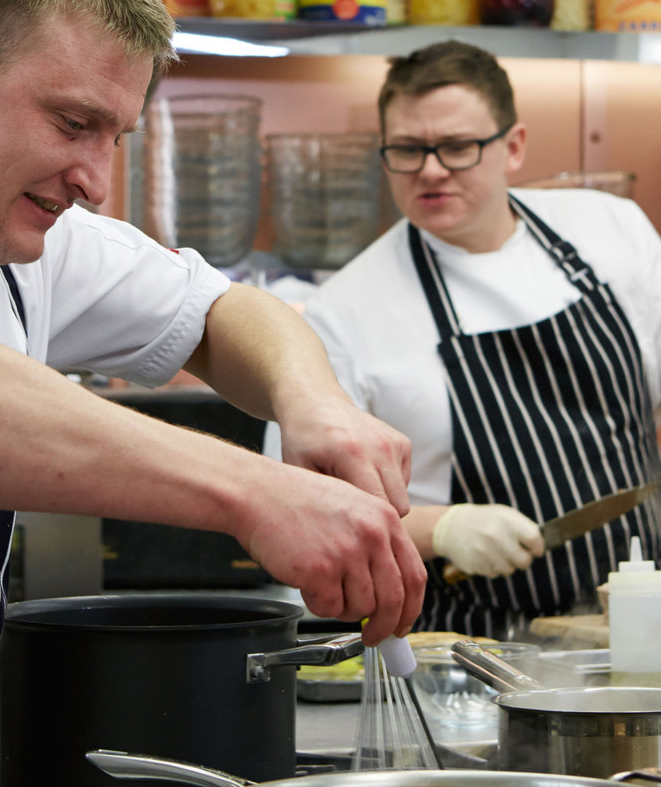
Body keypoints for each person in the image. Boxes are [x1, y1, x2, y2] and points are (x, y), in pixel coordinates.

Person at [0, 0, 427, 787]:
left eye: (116, 136)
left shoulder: (20, 231)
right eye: (73, 123)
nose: (96, 179)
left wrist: (315, 409)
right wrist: (254, 492)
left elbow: (226, 310)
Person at [266, 39, 661, 639]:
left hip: (633, 626)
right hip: (465, 654)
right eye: (407, 149)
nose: (430, 169)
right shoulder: (340, 315)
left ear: (515, 146)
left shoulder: (611, 231)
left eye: (456, 147)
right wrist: (441, 528)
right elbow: (291, 505)